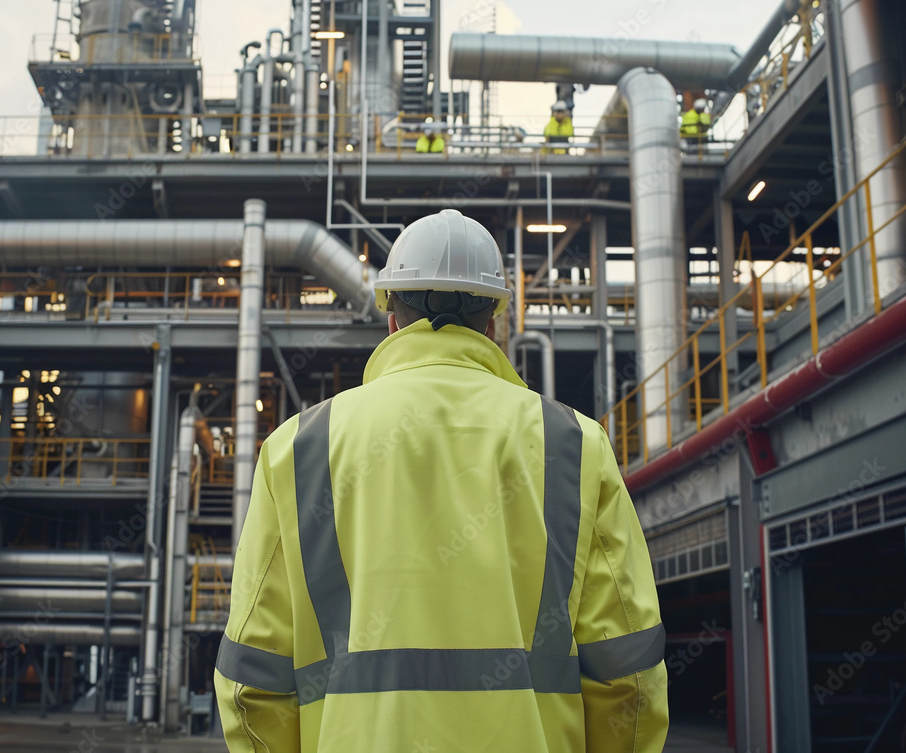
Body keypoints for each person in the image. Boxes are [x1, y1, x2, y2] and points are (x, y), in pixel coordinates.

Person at [214, 209, 668, 753]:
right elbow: (630, 676)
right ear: (494, 321)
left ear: (391, 319)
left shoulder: (297, 449)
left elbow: (250, 684)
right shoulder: (574, 444)